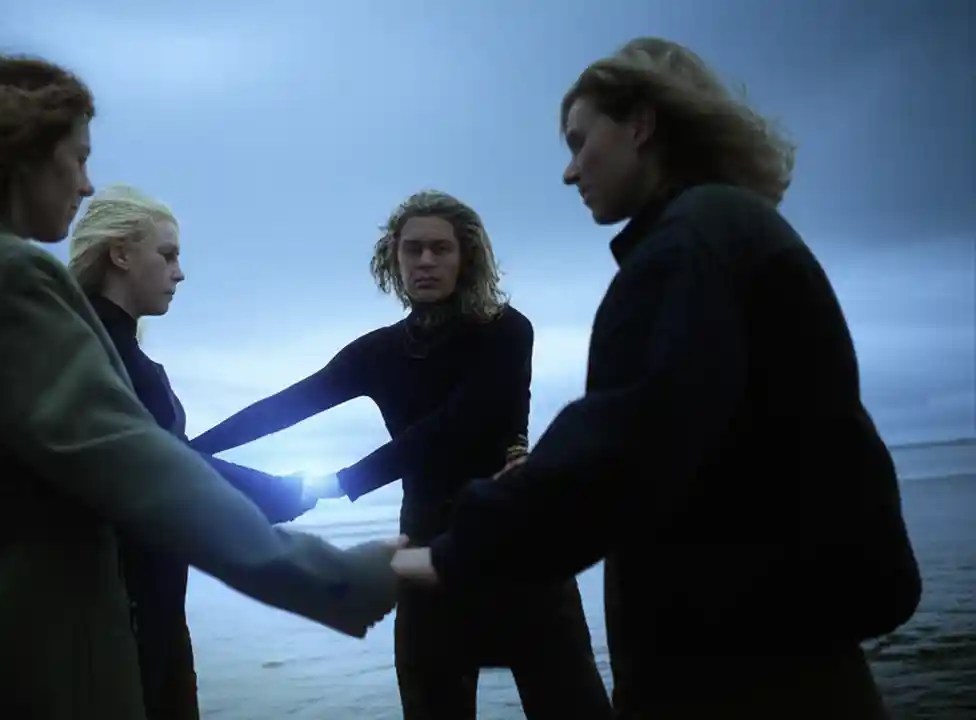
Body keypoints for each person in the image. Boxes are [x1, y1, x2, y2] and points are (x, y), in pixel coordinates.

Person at [0, 31, 398, 720]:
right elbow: (137, 467)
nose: (87, 182)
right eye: (78, 157)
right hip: (31, 672)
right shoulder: (5, 276)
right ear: (20, 155)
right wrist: (339, 577)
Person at [391, 38, 922, 719]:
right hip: (790, 642)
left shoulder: (687, 249)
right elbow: (690, 443)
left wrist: (450, 555)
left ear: (640, 124)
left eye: (581, 142)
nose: (569, 170)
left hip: (735, 671)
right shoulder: (732, 231)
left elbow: (625, 444)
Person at [190, 191, 613, 719]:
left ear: (467, 258)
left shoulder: (505, 332)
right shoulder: (379, 351)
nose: (426, 262)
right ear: (395, 258)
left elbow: (450, 428)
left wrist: (335, 483)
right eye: (413, 250)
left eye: (441, 249)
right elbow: (285, 406)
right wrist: (182, 450)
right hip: (426, 553)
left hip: (517, 547)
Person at [66, 184, 320, 719]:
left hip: (138, 604)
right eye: (168, 254)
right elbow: (162, 468)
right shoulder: (105, 358)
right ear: (120, 254)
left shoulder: (99, 348)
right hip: (124, 612)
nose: (179, 272)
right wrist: (285, 492)